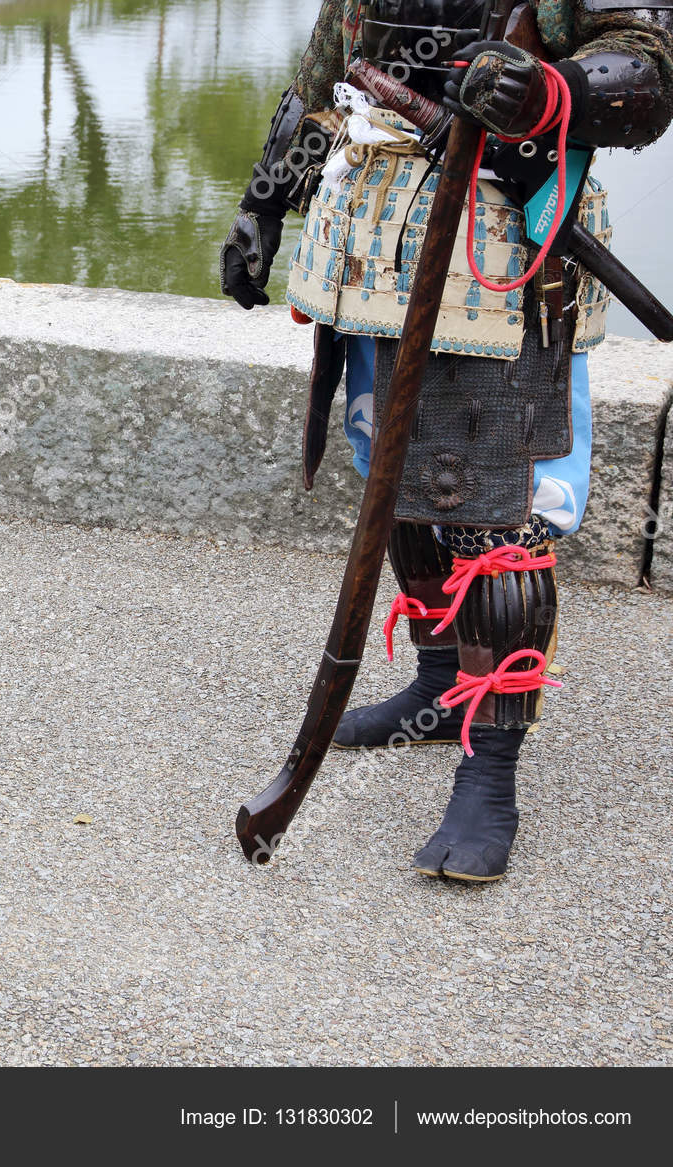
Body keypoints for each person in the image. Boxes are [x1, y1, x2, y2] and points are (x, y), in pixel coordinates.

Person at [220, 1, 673, 881]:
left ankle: (490, 771)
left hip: (500, 247)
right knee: (392, 475)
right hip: (370, 240)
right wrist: (265, 201)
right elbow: (329, 76)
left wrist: (551, 89)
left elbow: (651, 65)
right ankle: (436, 679)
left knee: (493, 521)